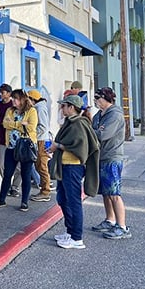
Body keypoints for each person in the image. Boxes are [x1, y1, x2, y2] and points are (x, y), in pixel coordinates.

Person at [49, 95, 100, 249]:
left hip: (72, 167)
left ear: (71, 107)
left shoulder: (78, 124)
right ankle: (70, 231)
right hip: (65, 166)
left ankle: (77, 238)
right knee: (63, 199)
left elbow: (80, 148)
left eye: (64, 106)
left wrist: (58, 146)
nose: (62, 108)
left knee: (74, 202)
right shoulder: (71, 122)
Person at [91, 86, 131, 240]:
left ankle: (122, 227)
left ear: (106, 98)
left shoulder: (114, 115)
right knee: (106, 193)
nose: (96, 101)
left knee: (114, 193)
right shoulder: (99, 115)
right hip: (101, 157)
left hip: (112, 158)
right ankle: (110, 219)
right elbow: (95, 130)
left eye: (98, 98)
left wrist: (94, 131)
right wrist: (95, 131)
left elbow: (102, 134)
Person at [0, 89, 38, 211]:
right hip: (11, 147)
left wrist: (15, 124)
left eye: (15, 98)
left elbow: (31, 127)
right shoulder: (10, 110)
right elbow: (5, 124)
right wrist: (21, 124)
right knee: (7, 174)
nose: (13, 101)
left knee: (25, 175)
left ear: (22, 99)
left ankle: (24, 202)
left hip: (25, 147)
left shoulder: (31, 111)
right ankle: (1, 199)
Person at [0, 83, 21, 197]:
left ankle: (15, 187)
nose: (0, 94)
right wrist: (4, 122)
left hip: (15, 140)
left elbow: (17, 122)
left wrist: (8, 123)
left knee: (18, 166)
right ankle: (6, 185)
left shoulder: (14, 107)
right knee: (1, 164)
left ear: (9, 94)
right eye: (0, 92)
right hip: (2, 139)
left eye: (3, 92)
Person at [27, 90, 52, 202]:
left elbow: (43, 126)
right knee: (39, 166)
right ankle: (44, 190)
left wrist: (32, 133)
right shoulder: (39, 107)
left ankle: (45, 192)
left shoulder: (39, 108)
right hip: (41, 140)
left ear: (33, 99)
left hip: (41, 140)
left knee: (42, 166)